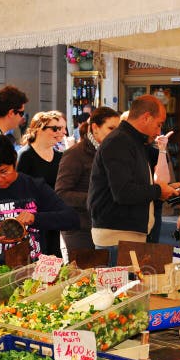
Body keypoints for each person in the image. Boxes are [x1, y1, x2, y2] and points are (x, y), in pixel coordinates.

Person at [88, 95, 179, 265]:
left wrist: (168, 188)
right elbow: (123, 192)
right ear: (146, 117)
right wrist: (159, 190)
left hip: (126, 237)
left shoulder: (132, 141)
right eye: (159, 124)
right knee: (122, 284)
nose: (159, 131)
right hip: (118, 238)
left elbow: (135, 185)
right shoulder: (119, 141)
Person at [0, 135, 78, 264]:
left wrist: (35, 218)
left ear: (14, 162)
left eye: (4, 171)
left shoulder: (35, 187)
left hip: (35, 268)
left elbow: (71, 219)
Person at [55, 106, 120, 251]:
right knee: (85, 267)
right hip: (80, 229)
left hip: (107, 226)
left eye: (118, 129)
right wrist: (96, 199)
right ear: (95, 128)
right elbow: (61, 193)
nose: (116, 133)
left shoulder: (114, 152)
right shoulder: (75, 154)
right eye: (111, 128)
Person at [16, 111, 65, 257]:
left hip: (53, 217)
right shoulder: (25, 155)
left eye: (62, 128)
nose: (61, 132)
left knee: (54, 257)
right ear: (39, 129)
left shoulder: (60, 156)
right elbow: (19, 189)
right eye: (55, 128)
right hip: (32, 219)